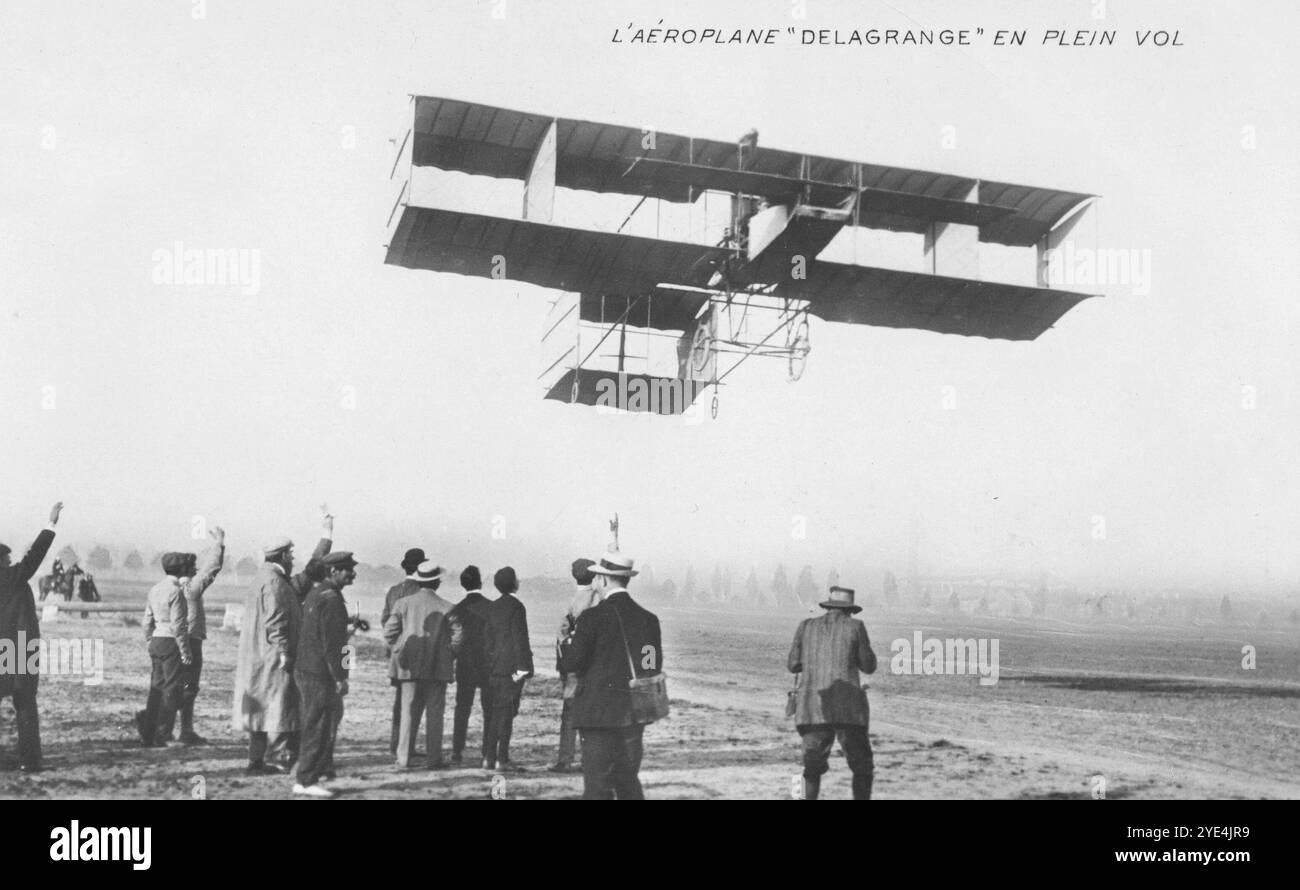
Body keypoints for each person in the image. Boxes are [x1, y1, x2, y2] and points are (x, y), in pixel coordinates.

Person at [232, 513, 333, 774]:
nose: (293, 559)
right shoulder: (276, 583)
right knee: (279, 707)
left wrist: (326, 535)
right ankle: (279, 759)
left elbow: (310, 571)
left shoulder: (268, 578)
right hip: (272, 657)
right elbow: (276, 622)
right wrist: (285, 653)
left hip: (258, 658)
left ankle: (257, 761)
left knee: (261, 712)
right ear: (284, 556)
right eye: (291, 554)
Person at [560, 551, 661, 800]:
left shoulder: (591, 618)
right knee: (628, 782)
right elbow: (651, 665)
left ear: (603, 580)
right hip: (633, 714)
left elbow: (573, 662)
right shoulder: (648, 620)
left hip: (596, 715)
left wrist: (566, 641)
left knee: (597, 786)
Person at [786, 585, 877, 800]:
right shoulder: (856, 627)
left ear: (828, 606)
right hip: (849, 711)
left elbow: (792, 665)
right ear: (850, 610)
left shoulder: (806, 626)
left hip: (813, 707)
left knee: (810, 767)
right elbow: (869, 666)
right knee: (862, 767)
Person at [0, 502, 63, 772]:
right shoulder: (13, 577)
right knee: (25, 702)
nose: (10, 562)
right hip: (18, 649)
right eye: (6, 559)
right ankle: (29, 759)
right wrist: (51, 524)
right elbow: (35, 556)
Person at [383, 561, 462, 769]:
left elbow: (389, 633)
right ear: (437, 582)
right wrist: (448, 655)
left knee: (408, 712)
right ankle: (434, 760)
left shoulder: (403, 603)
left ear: (419, 581)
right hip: (437, 669)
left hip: (408, 667)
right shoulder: (448, 606)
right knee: (435, 714)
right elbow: (458, 638)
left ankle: (403, 759)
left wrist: (401, 650)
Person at [294, 551, 356, 798]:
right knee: (319, 726)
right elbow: (334, 645)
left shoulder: (316, 593)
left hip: (307, 668)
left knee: (313, 723)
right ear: (333, 572)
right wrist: (341, 678)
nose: (352, 574)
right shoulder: (332, 600)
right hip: (320, 673)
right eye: (347, 569)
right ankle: (307, 780)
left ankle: (306, 776)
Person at [170, 526, 225, 744]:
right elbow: (212, 568)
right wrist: (219, 543)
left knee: (172, 685)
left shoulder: (166, 588)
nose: (196, 570)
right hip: (191, 639)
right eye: (193, 567)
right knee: (189, 686)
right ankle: (185, 729)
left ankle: (163, 728)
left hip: (169, 640)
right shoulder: (192, 588)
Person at [136, 552, 194, 747]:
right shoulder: (176, 592)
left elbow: (146, 621)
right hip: (170, 642)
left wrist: (149, 641)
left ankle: (149, 732)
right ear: (181, 570)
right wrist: (185, 651)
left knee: (156, 689)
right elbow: (178, 625)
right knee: (171, 689)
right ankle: (163, 734)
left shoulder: (155, 589)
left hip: (156, 640)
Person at [550, 557, 599, 772]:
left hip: (571, 663)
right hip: (591, 663)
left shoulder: (572, 601)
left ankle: (565, 759)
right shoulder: (597, 598)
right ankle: (588, 759)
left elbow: (562, 633)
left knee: (570, 711)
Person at [481, 566, 532, 771]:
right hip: (511, 670)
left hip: (495, 670)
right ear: (514, 583)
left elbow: (487, 641)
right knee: (507, 715)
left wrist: (491, 665)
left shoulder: (492, 607)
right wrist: (522, 669)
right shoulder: (517, 607)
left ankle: (489, 758)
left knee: (495, 714)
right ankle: (502, 759)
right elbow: (520, 639)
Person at [381, 547, 426, 756]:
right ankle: (406, 747)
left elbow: (385, 622)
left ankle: (396, 744)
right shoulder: (422, 592)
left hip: (397, 654)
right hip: (416, 655)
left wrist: (395, 646)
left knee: (400, 701)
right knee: (414, 703)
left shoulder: (393, 591)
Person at [449, 564, 492, 766]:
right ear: (480, 583)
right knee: (489, 710)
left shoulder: (457, 608)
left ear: (462, 584)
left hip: (465, 665)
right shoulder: (491, 607)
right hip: (487, 665)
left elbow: (453, 639)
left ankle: (457, 751)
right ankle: (487, 753)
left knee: (462, 708)